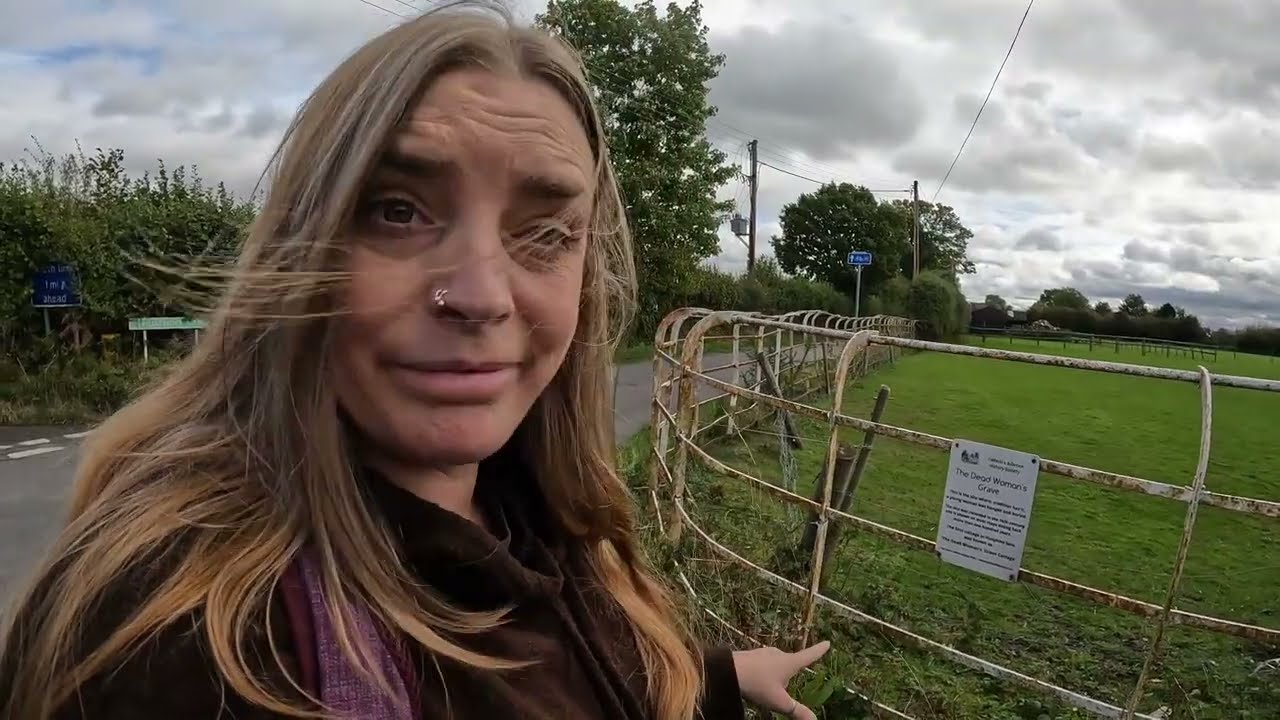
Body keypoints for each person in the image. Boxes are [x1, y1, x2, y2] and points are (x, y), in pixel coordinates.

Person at [0, 3, 831, 719]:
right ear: (303, 246)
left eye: (546, 234)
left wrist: (719, 677)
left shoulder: (537, 511)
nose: (480, 295)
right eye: (398, 212)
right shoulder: (195, 644)